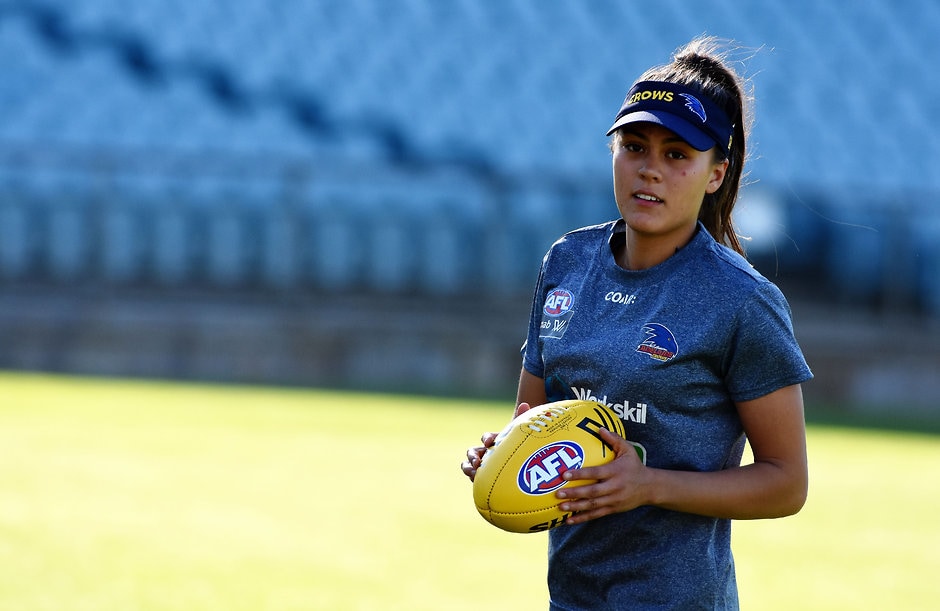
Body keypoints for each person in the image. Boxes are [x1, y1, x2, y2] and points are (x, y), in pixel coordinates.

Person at [461, 36, 812, 610]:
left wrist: (649, 486)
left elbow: (786, 483)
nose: (649, 170)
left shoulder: (742, 301)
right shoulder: (566, 263)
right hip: (571, 596)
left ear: (716, 174)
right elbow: (537, 420)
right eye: (634, 146)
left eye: (677, 154)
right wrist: (503, 454)